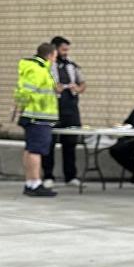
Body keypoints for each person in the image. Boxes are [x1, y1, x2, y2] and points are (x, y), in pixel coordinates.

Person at [13, 41, 60, 197]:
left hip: (35, 115)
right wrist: (26, 105)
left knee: (31, 149)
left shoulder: (38, 68)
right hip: (38, 116)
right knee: (36, 151)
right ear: (50, 55)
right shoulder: (38, 70)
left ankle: (30, 183)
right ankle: (35, 183)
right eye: (55, 56)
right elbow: (26, 92)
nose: (55, 59)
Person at [49, 35, 87, 186]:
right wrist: (53, 87)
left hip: (70, 108)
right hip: (53, 107)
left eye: (67, 50)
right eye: (63, 50)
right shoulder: (47, 66)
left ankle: (70, 176)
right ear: (55, 49)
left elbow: (83, 84)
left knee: (70, 143)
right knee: (49, 143)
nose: (66, 53)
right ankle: (48, 176)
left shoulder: (71, 65)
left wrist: (77, 88)